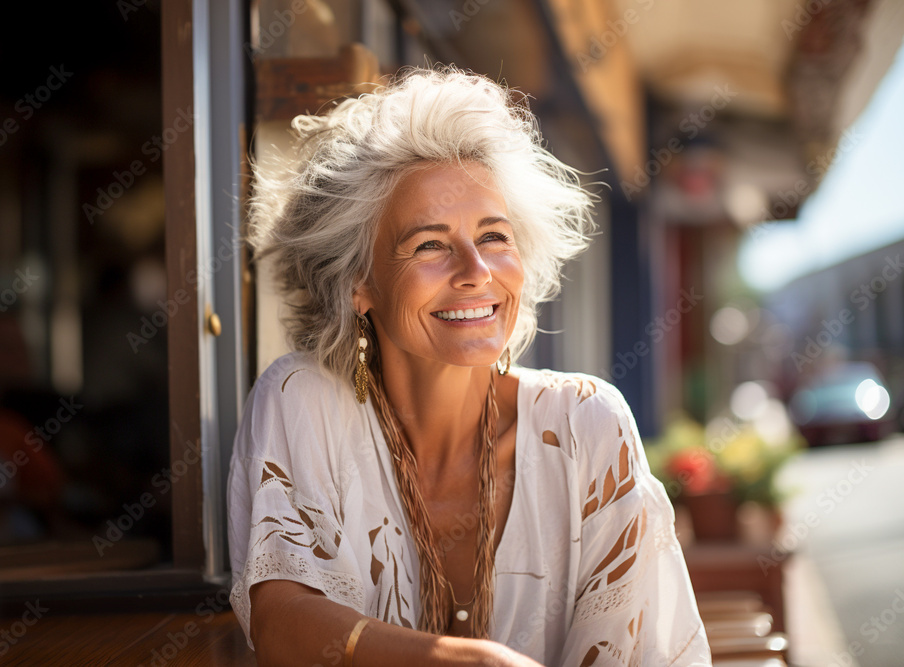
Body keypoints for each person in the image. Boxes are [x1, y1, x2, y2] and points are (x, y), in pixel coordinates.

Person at [227, 67, 711, 666]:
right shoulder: (302, 402)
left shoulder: (587, 425)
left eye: (495, 237)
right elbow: (281, 621)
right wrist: (461, 661)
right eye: (429, 244)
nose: (476, 270)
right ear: (358, 282)